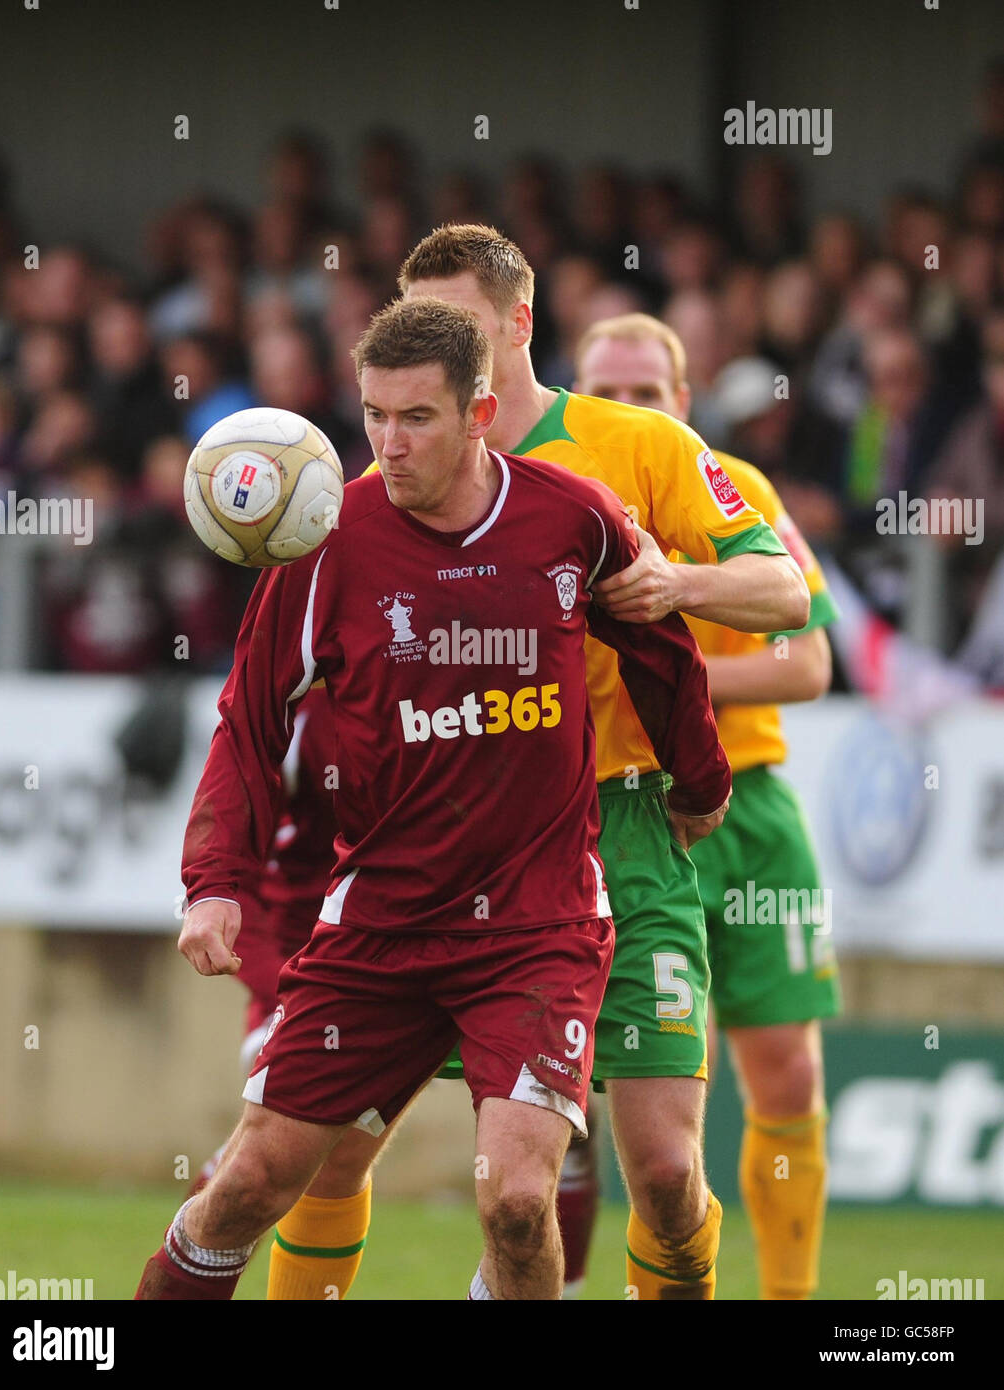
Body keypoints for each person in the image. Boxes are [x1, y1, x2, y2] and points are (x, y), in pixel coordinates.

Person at [135, 297, 731, 1301]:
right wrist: (214, 882)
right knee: (249, 1182)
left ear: (479, 412)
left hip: (537, 922)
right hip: (380, 921)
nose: (386, 443)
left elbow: (660, 639)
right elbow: (249, 722)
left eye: (415, 418)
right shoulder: (328, 542)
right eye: (372, 414)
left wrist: (698, 775)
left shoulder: (571, 517)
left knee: (514, 1198)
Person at [267, 225, 808, 1304]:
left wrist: (672, 587)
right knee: (327, 1156)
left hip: (626, 831)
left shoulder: (633, 445)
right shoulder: (388, 475)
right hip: (445, 848)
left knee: (662, 1170)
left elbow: (785, 595)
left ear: (517, 324)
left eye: (456, 322)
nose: (431, 347)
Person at [571, 312, 841, 1300]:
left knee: (789, 1078)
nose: (628, 408)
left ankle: (792, 1300)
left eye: (647, 393)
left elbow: (808, 658)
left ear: (682, 404)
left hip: (753, 810)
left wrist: (671, 674)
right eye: (607, 390)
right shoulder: (554, 499)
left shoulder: (736, 495)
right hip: (632, 810)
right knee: (625, 1103)